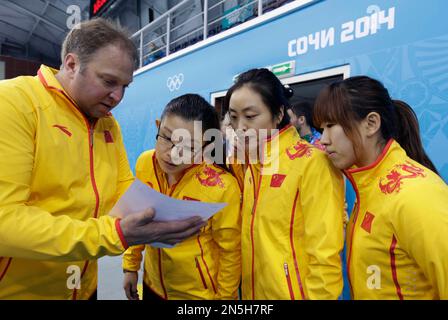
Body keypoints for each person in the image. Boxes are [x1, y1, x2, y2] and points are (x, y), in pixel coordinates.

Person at [0, 18, 204, 300]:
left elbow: (124, 190)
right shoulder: (14, 104)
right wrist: (115, 234)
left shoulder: (107, 124)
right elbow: (5, 223)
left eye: (125, 86)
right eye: (108, 82)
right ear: (71, 65)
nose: (117, 97)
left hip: (84, 288)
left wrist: (169, 217)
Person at [313, 75, 448, 299]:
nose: (323, 140)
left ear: (371, 124)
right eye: (321, 128)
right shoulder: (368, 186)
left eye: (330, 126)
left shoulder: (416, 194)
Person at [223, 68, 345, 300]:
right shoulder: (251, 164)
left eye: (250, 116)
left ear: (278, 115)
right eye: (234, 117)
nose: (240, 128)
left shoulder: (312, 163)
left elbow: (325, 256)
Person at [122, 94, 241, 300]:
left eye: (188, 147)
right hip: (152, 285)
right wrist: (130, 267)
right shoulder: (145, 163)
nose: (172, 154)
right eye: (167, 138)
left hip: (196, 296)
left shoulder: (222, 186)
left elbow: (230, 252)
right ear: (158, 127)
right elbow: (138, 218)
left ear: (205, 146)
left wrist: (225, 300)